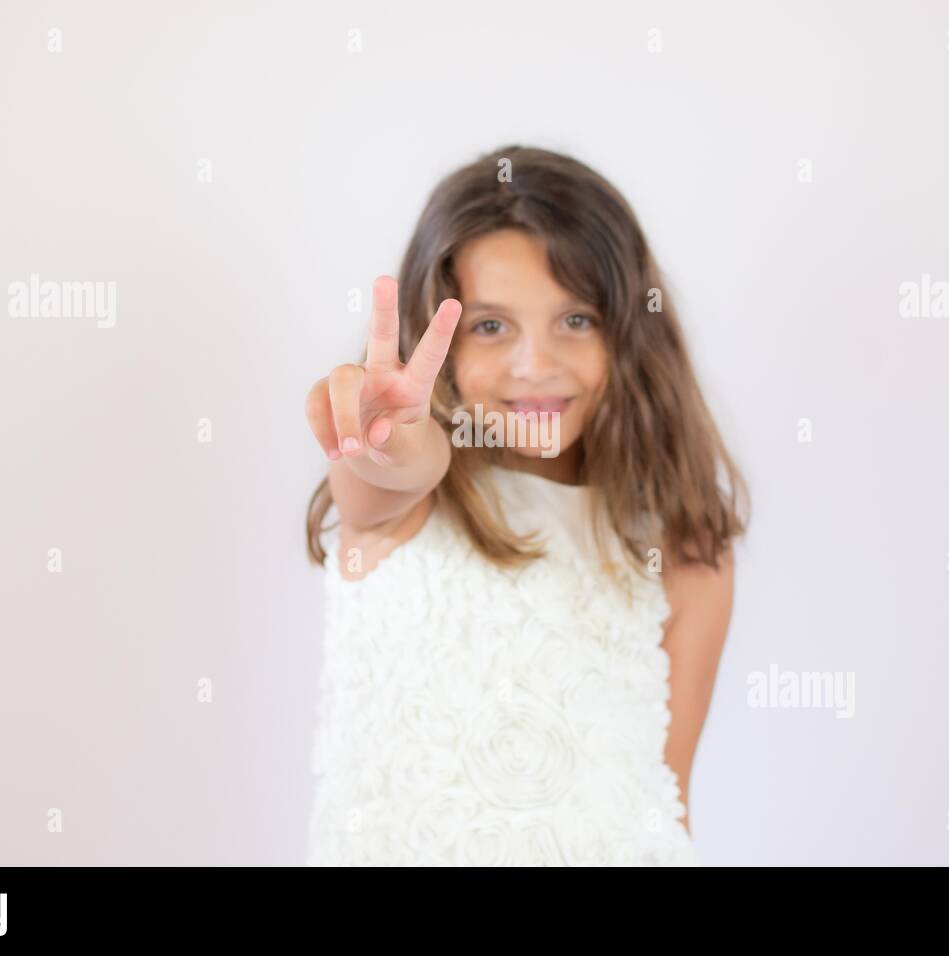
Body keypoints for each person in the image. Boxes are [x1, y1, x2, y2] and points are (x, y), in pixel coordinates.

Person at [303, 145, 748, 865]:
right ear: (434, 344)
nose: (535, 365)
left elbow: (663, 803)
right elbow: (386, 476)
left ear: (629, 334)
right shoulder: (404, 506)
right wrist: (383, 440)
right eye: (490, 326)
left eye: (575, 320)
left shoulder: (684, 549)